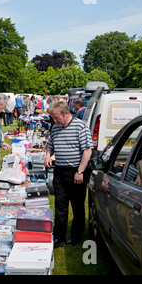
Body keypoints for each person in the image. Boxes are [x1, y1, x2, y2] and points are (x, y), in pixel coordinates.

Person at [44, 100, 92, 248]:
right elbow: (50, 146)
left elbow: (87, 150)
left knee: (77, 206)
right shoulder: (55, 128)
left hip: (76, 171)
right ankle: (59, 238)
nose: (54, 120)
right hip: (60, 171)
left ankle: (76, 236)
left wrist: (80, 171)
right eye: (53, 118)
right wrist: (47, 155)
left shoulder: (80, 126)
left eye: (56, 117)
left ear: (66, 114)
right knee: (60, 205)